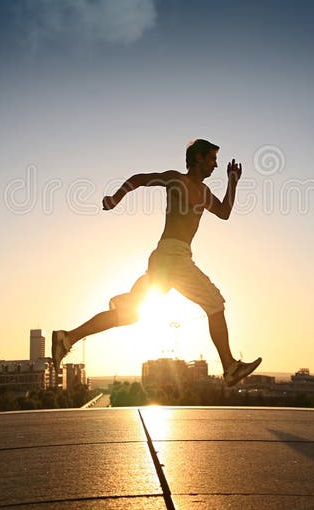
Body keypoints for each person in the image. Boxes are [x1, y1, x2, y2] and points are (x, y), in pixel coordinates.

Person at [52, 139, 262, 386]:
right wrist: (116, 198)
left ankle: (67, 338)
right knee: (215, 303)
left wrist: (233, 182)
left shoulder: (205, 193)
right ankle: (230, 367)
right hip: (172, 256)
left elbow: (224, 212)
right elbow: (141, 178)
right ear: (198, 159)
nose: (215, 165)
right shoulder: (176, 180)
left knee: (130, 314)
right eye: (212, 159)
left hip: (168, 258)